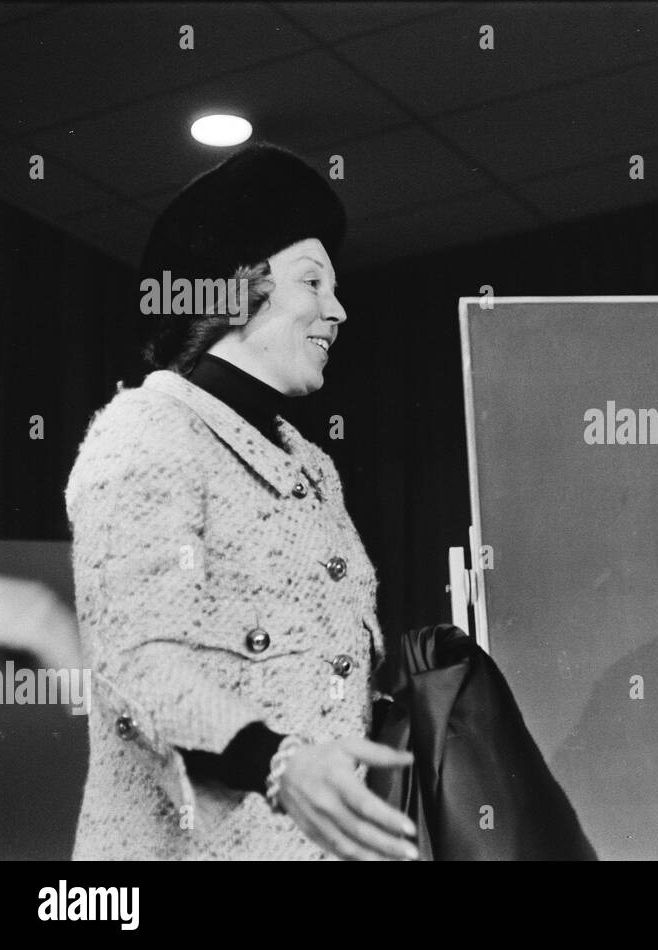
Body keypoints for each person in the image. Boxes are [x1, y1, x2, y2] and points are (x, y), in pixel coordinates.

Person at [65, 144, 418, 860]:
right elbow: (136, 661)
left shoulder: (312, 466)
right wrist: (278, 765)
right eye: (312, 282)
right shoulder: (147, 430)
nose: (337, 310)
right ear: (234, 289)